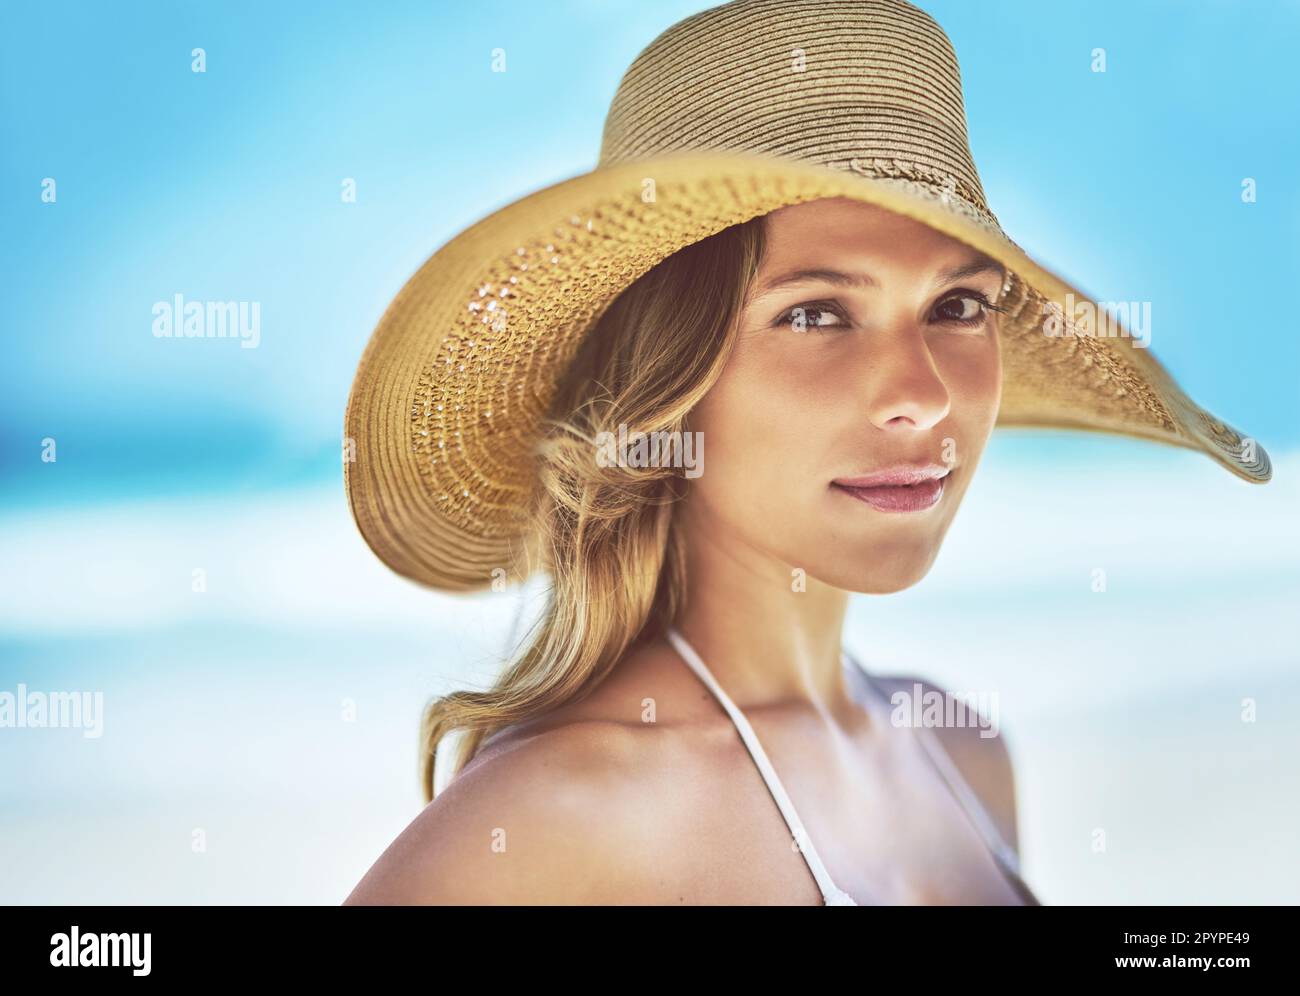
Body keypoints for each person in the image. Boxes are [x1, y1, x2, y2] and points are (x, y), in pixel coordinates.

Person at [340, 0, 1270, 905]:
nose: (921, 394)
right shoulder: (561, 816)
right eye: (816, 314)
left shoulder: (962, 752)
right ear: (669, 381)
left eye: (957, 307)